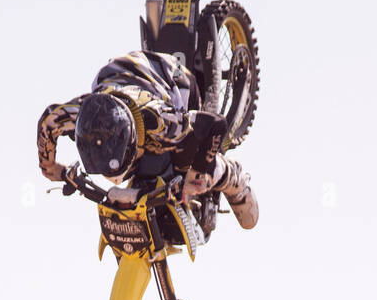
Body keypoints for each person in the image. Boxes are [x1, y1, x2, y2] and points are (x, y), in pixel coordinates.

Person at [38, 49, 258, 228]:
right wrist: (50, 164)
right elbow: (48, 122)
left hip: (173, 79)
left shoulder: (165, 122)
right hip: (123, 76)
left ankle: (233, 178)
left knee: (185, 167)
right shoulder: (80, 113)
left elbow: (215, 124)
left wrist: (198, 171)